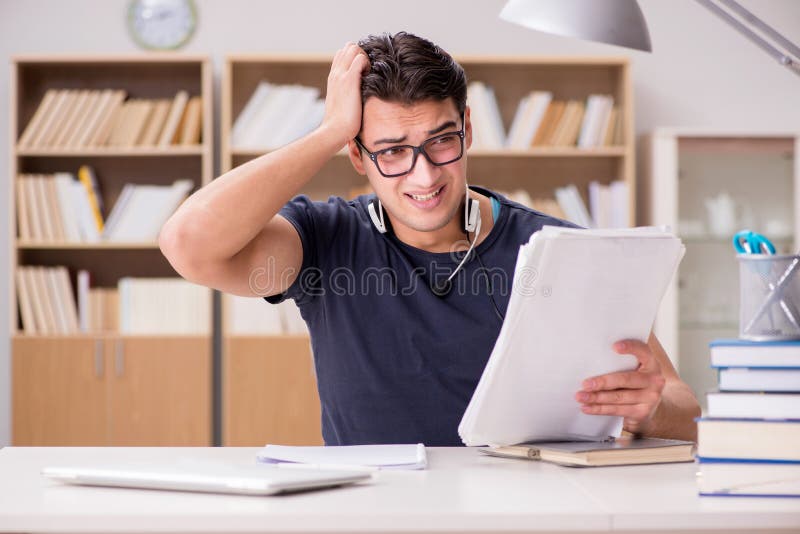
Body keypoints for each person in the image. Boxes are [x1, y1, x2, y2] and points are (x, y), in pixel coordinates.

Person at [159, 32, 700, 446]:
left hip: (523, 512)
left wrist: (651, 410)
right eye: (392, 151)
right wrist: (328, 133)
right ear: (357, 155)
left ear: (468, 128)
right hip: (375, 513)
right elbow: (187, 243)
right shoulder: (324, 242)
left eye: (441, 141)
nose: (424, 177)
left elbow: (686, 410)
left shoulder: (560, 249)